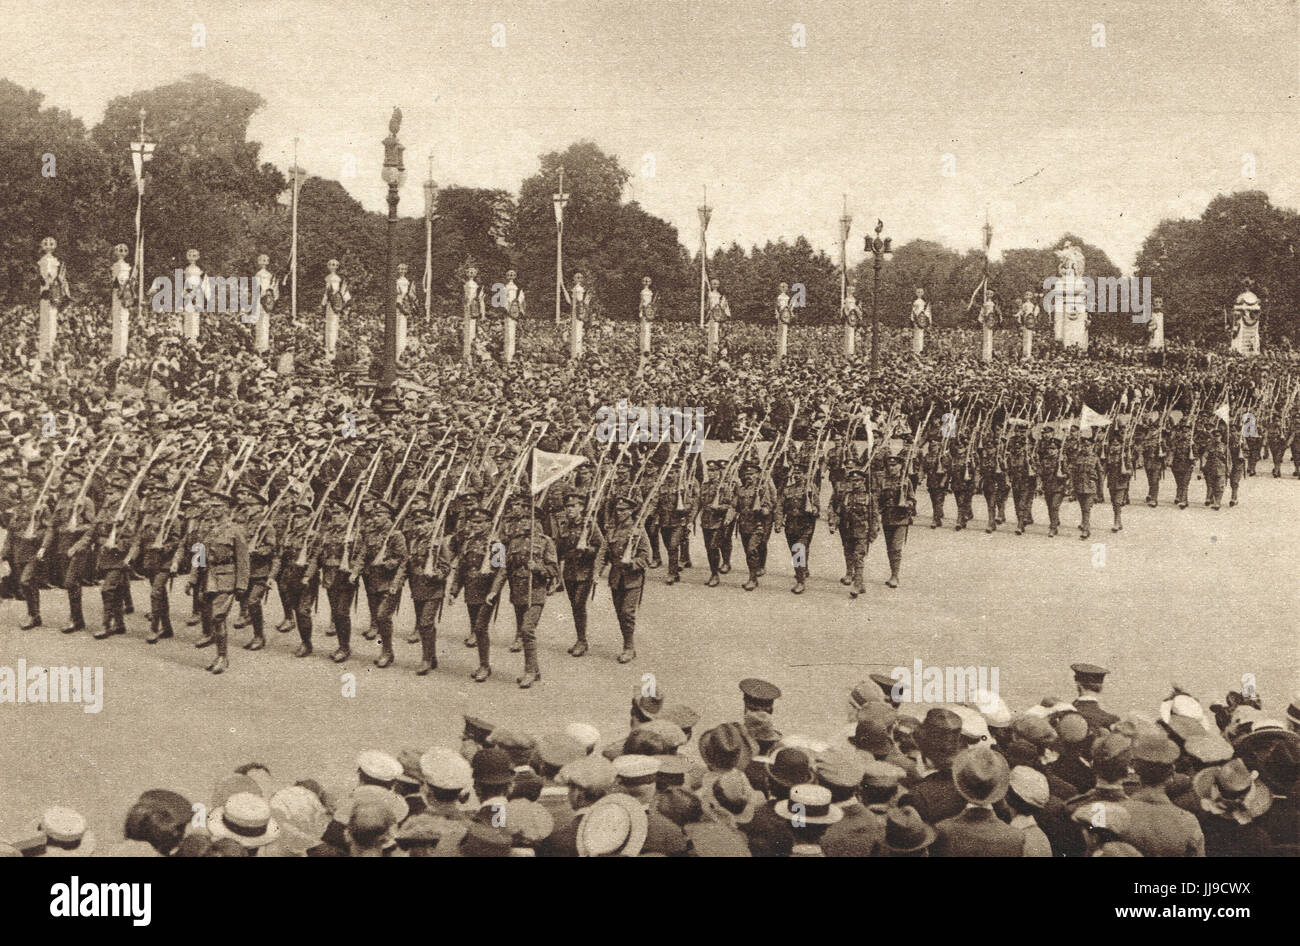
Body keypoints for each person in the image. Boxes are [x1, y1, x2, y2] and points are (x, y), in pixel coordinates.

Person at [491, 494, 558, 689]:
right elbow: (504, 569)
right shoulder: (514, 542)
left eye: (532, 520)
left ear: (538, 522)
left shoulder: (546, 542)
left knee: (527, 630)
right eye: (525, 520)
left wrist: (538, 568)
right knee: (524, 629)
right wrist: (494, 591)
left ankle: (529, 671)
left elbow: (554, 570)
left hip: (535, 592)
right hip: (518, 592)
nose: (527, 524)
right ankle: (535, 671)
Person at [196, 489, 250, 675]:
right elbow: (200, 554)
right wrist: (193, 578)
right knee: (212, 617)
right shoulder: (209, 529)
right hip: (209, 577)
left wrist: (242, 584)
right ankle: (219, 654)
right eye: (212, 506)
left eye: (218, 506)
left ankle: (222, 657)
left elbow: (243, 559)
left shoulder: (235, 530)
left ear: (227, 508)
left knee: (218, 616)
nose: (213, 510)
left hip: (227, 577)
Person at [448, 498, 497, 682]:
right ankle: (483, 663)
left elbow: (500, 572)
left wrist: (494, 591)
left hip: (487, 592)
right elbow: (461, 569)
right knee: (477, 629)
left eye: (479, 523)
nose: (475, 526)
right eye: (472, 522)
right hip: (471, 590)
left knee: (480, 627)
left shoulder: (496, 544)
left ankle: (485, 666)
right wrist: (454, 590)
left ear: (489, 523)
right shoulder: (467, 543)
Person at [602, 495, 651, 664]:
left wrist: (632, 563)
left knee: (627, 613)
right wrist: (597, 571)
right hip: (616, 578)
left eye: (623, 510)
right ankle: (627, 643)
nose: (619, 513)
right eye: (617, 510)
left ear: (631, 512)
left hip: (632, 579)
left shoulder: (638, 531)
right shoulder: (612, 531)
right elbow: (604, 554)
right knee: (619, 614)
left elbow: (646, 557)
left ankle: (629, 648)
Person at [554, 490, 603, 657]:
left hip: (584, 572)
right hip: (569, 572)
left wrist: (587, 549)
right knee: (575, 606)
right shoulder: (564, 526)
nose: (570, 509)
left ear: (581, 507)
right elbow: (559, 550)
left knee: (579, 604)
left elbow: (601, 547)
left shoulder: (589, 525)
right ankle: (580, 639)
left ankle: (582, 641)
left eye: (573, 506)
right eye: (567, 506)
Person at [828, 466, 876, 598]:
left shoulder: (869, 497)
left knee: (858, 557)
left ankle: (857, 585)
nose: (856, 483)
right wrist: (833, 524)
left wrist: (872, 532)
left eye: (858, 481)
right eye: (853, 481)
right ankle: (860, 584)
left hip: (862, 531)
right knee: (849, 554)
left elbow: (874, 516)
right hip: (848, 531)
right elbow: (838, 512)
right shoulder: (846, 496)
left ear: (863, 482)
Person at [875, 454, 911, 588]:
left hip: (901, 519)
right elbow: (877, 499)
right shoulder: (883, 481)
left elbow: (912, 499)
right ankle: (892, 572)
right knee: (890, 548)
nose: (892, 468)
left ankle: (895, 575)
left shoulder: (906, 481)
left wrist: (907, 504)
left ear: (900, 466)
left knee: (896, 548)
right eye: (889, 465)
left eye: (894, 465)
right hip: (887, 518)